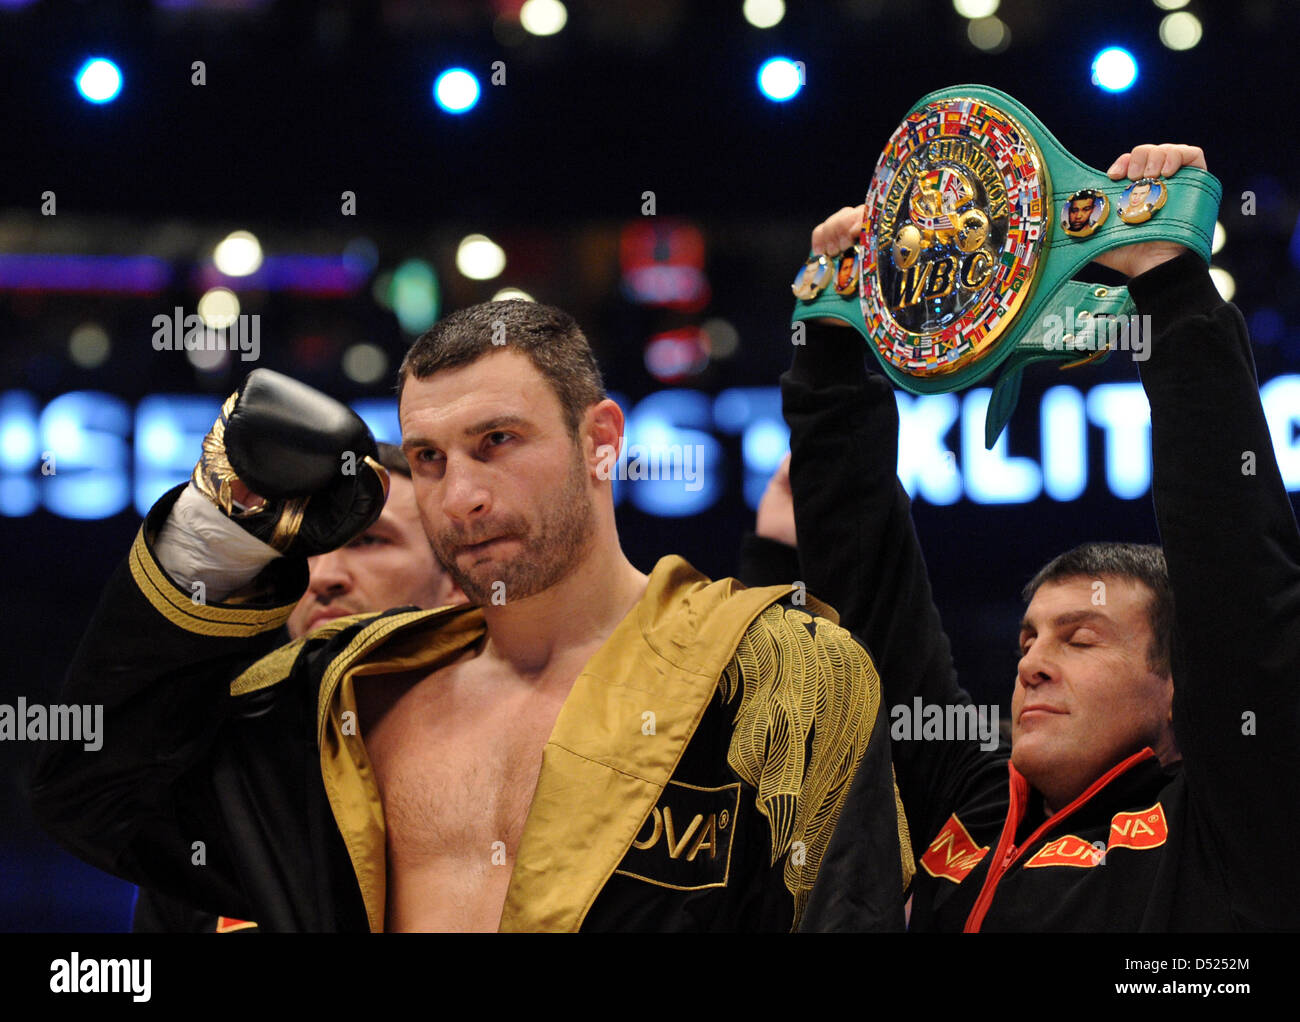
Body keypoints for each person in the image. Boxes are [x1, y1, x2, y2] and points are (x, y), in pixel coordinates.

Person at [32, 301, 912, 932]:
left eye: (497, 442)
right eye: (429, 458)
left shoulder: (777, 670)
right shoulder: (347, 690)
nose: (462, 497)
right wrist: (214, 522)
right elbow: (93, 793)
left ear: (602, 440)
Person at [741, 143, 1300, 930]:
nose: (1032, 665)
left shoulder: (1225, 827)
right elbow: (874, 605)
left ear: (1179, 684)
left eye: (1081, 639)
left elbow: (1238, 578)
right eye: (1028, 640)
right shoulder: (966, 805)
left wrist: (1169, 282)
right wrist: (832, 349)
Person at [130, 442, 465, 933]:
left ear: (457, 580)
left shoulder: (513, 766)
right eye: (306, 549)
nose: (324, 577)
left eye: (370, 541)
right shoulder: (214, 792)